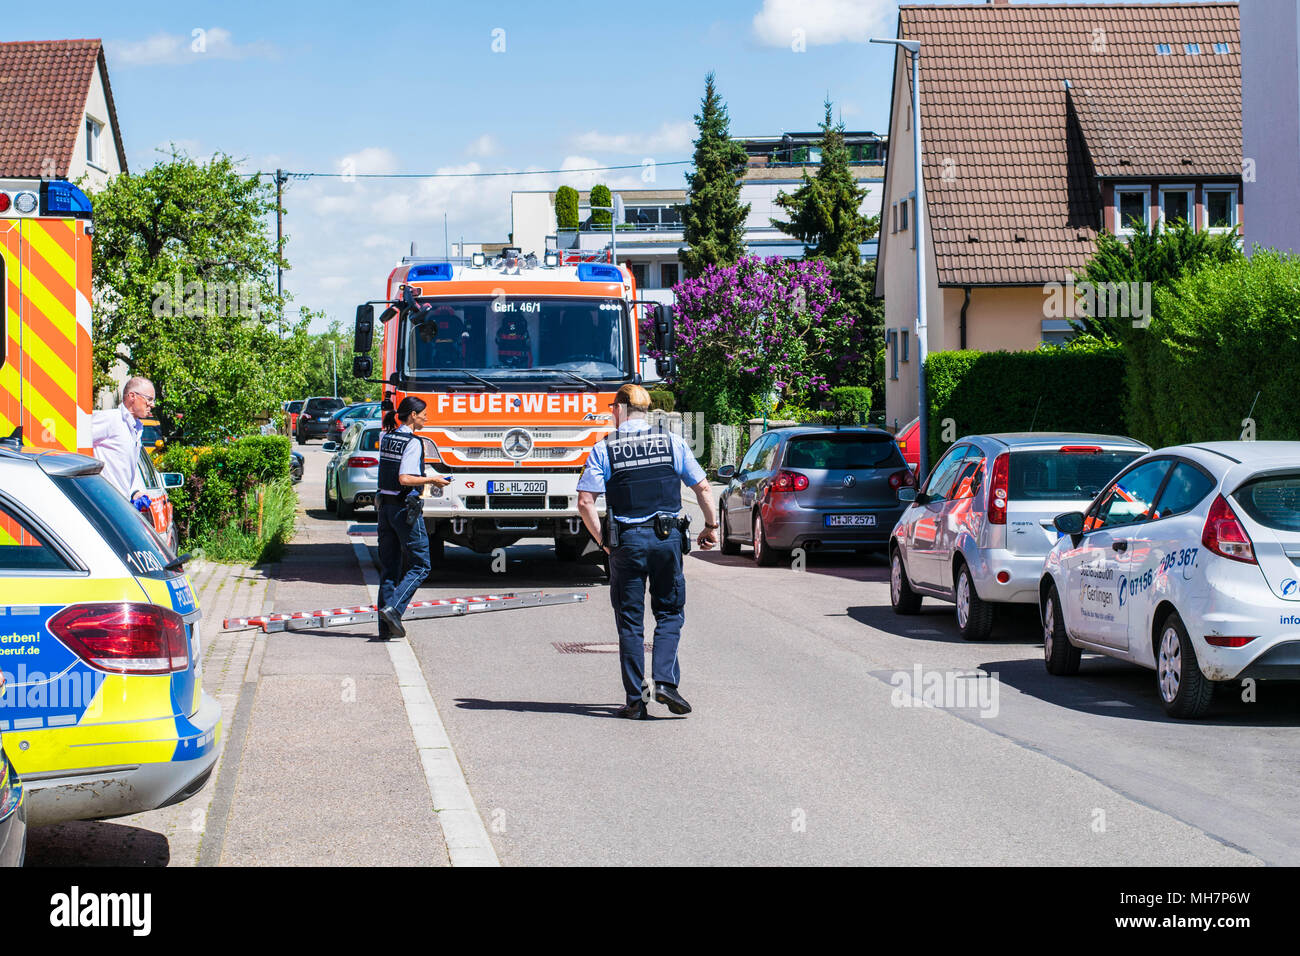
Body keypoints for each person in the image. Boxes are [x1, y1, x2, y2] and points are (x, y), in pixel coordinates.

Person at [576, 384, 719, 719]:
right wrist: (710, 527)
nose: (611, 413)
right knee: (669, 613)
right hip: (667, 539)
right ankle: (666, 682)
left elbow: (585, 502)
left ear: (620, 409)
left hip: (626, 541)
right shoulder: (672, 442)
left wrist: (603, 542)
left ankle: (636, 700)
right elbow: (703, 487)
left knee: (630, 622)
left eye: (613, 407)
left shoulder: (604, 449)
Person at [375, 396, 451, 639]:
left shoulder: (387, 437)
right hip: (403, 508)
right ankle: (394, 609)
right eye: (423, 414)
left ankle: (385, 630)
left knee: (389, 569)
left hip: (384, 509)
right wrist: (432, 479)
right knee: (421, 565)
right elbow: (405, 478)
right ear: (412, 416)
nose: (427, 417)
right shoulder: (413, 442)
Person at [91, 376, 153, 513]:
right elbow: (75, 437)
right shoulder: (111, 419)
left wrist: (134, 492)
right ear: (132, 396)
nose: (152, 405)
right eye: (149, 400)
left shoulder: (135, 428)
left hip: (119, 505)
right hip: (103, 504)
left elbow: (126, 469)